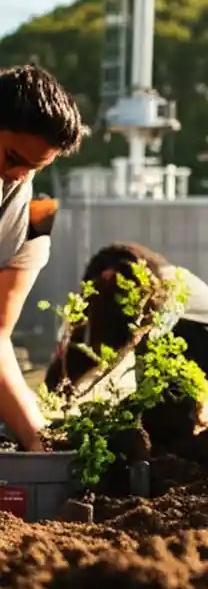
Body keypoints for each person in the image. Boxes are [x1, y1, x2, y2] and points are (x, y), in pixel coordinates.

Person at [0, 65, 86, 451]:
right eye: (10, 158)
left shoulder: (34, 215)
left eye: (32, 169)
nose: (16, 176)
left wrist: (42, 445)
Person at [44, 242, 208, 393]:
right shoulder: (121, 297)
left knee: (147, 335)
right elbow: (91, 343)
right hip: (199, 339)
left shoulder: (164, 284)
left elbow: (147, 336)